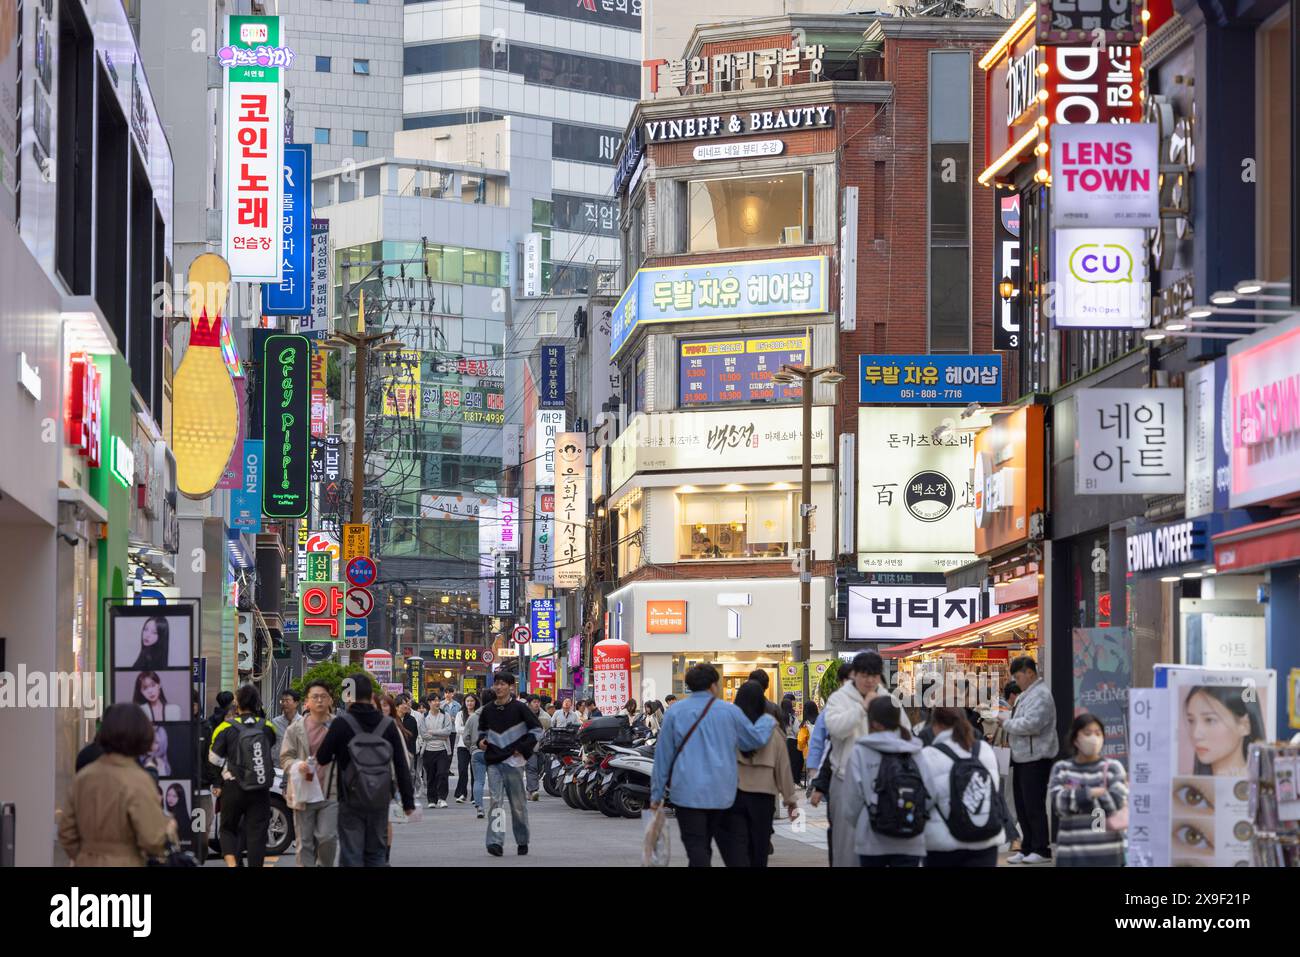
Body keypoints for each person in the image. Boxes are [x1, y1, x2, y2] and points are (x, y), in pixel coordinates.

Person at [648, 663, 777, 867]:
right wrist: (768, 721)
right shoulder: (729, 711)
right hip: (723, 794)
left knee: (697, 848)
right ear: (714, 685)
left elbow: (663, 758)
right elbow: (753, 741)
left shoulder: (675, 713)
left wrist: (656, 796)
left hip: (686, 794)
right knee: (733, 851)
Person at [58, 703, 177, 866]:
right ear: (142, 735)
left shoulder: (84, 777)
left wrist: (86, 856)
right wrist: (169, 827)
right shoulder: (138, 780)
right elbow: (152, 839)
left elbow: (66, 832)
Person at [316, 673, 416, 867]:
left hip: (349, 797)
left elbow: (322, 757)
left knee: (351, 853)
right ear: (371, 694)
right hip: (380, 797)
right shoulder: (387, 724)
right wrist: (408, 801)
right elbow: (401, 764)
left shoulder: (341, 723)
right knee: (376, 853)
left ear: (349, 695)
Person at [840, 695, 934, 868]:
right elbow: (930, 793)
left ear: (874, 723)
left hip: (872, 839)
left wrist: (865, 821)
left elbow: (851, 802)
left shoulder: (861, 752)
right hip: (911, 839)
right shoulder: (915, 750)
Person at [823, 651, 892, 868]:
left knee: (882, 840)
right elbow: (836, 728)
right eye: (865, 675)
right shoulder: (839, 698)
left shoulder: (887, 698)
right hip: (845, 778)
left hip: (882, 781)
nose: (870, 681)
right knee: (846, 843)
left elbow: (903, 732)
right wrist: (862, 708)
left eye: (874, 675)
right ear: (854, 675)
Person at [918, 707, 1005, 867]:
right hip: (985, 840)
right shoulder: (984, 750)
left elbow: (923, 801)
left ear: (935, 725)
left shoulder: (928, 755)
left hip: (944, 844)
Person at [209, 684, 279, 867]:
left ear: (237, 704)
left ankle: (233, 865)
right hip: (260, 786)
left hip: (233, 787)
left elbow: (213, 759)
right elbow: (270, 745)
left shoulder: (225, 727)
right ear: (257, 703)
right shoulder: (267, 726)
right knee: (257, 834)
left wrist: (220, 777)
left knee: (228, 829)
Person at [998, 656, 1059, 865]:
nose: (1017, 680)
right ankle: (1028, 847)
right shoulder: (1028, 694)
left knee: (1034, 805)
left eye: (1018, 676)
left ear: (1030, 673)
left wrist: (1006, 723)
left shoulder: (1041, 695)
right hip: (1022, 756)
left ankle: (1042, 849)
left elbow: (1032, 724)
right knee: (1022, 805)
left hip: (1036, 758)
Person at [732, 680, 799, 867]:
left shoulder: (729, 728)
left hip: (734, 796)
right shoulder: (774, 731)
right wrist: (791, 802)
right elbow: (784, 769)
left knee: (738, 851)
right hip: (763, 798)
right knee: (759, 852)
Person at [477, 672, 543, 856]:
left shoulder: (520, 708)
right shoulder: (487, 710)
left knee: (518, 804)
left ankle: (522, 840)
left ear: (511, 687)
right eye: (496, 684)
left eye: (502, 684)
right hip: (494, 762)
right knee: (496, 802)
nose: (498, 687)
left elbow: (537, 730)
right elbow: (481, 733)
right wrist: (481, 742)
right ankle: (495, 842)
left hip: (514, 762)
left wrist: (522, 747)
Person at [1048, 713, 1128, 867]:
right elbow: (1059, 805)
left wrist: (1076, 797)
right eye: (1087, 733)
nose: (1093, 738)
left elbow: (1116, 805)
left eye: (1098, 733)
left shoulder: (1112, 768)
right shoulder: (1062, 769)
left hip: (1108, 854)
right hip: (1071, 855)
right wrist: (1093, 793)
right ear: (1075, 738)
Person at [279, 679, 339, 866]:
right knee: (304, 843)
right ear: (307, 701)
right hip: (303, 791)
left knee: (327, 837)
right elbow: (285, 757)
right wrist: (297, 765)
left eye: (323, 696)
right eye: (315, 697)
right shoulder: (295, 729)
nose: (319, 700)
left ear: (330, 700)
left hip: (331, 791)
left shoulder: (339, 726)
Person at [1183, 685, 1266, 776]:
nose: (1195, 735)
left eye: (1209, 720)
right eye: (1191, 721)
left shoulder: (1263, 786)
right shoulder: (1183, 785)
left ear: (1244, 725)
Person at [420, 697, 454, 808]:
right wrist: (440, 736)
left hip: (443, 750)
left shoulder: (445, 716)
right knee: (430, 776)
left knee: (442, 773)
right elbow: (424, 734)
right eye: (434, 700)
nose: (437, 702)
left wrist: (433, 733)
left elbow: (448, 731)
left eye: (438, 700)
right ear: (429, 703)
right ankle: (431, 800)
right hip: (428, 750)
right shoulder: (424, 717)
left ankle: (442, 798)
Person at [462, 695, 486, 818]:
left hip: (477, 752)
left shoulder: (472, 717)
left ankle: (479, 807)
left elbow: (465, 736)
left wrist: (471, 747)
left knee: (478, 781)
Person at [453, 694, 479, 803]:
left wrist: (467, 730)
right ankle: (462, 793)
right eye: (467, 701)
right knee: (462, 770)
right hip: (462, 746)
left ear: (475, 702)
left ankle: (475, 796)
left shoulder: (478, 714)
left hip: (475, 747)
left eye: (472, 701)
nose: (469, 703)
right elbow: (458, 729)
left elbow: (480, 729)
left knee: (475, 772)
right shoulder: (460, 714)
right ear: (464, 702)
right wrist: (472, 730)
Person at [524, 696, 551, 801]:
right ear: (529, 703)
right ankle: (533, 791)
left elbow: (549, 729)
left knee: (539, 767)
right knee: (532, 768)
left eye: (538, 702)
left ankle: (531, 789)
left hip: (542, 747)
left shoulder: (545, 716)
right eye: (534, 702)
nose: (537, 704)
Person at [271, 689, 301, 765]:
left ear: (296, 703)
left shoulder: (303, 723)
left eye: (287, 701)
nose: (284, 703)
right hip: (277, 766)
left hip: (296, 767)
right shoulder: (275, 722)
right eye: (282, 701)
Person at [781, 694, 803, 786]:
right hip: (793, 741)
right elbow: (797, 730)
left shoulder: (779, 715)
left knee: (786, 762)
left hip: (782, 741)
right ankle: (796, 780)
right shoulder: (792, 717)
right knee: (797, 761)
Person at [164, 782, 194, 849]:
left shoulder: (182, 819)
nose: (170, 798)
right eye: (168, 795)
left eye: (175, 796)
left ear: (180, 798)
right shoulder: (168, 814)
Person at [796, 701, 818, 787]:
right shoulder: (821, 720)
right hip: (823, 752)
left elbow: (801, 741)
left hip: (810, 753)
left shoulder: (805, 725)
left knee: (812, 776)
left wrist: (801, 748)